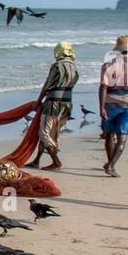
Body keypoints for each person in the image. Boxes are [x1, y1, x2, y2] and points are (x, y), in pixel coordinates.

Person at [26, 41, 79, 171]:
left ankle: (56, 162)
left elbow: (47, 85)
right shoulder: (74, 67)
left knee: (44, 132)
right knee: (53, 133)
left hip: (53, 103)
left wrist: (38, 101)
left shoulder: (57, 66)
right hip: (67, 103)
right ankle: (37, 160)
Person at [98, 35, 128, 177]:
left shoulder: (108, 65)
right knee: (122, 138)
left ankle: (110, 163)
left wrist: (101, 107)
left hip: (110, 103)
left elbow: (103, 87)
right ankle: (111, 165)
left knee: (109, 135)